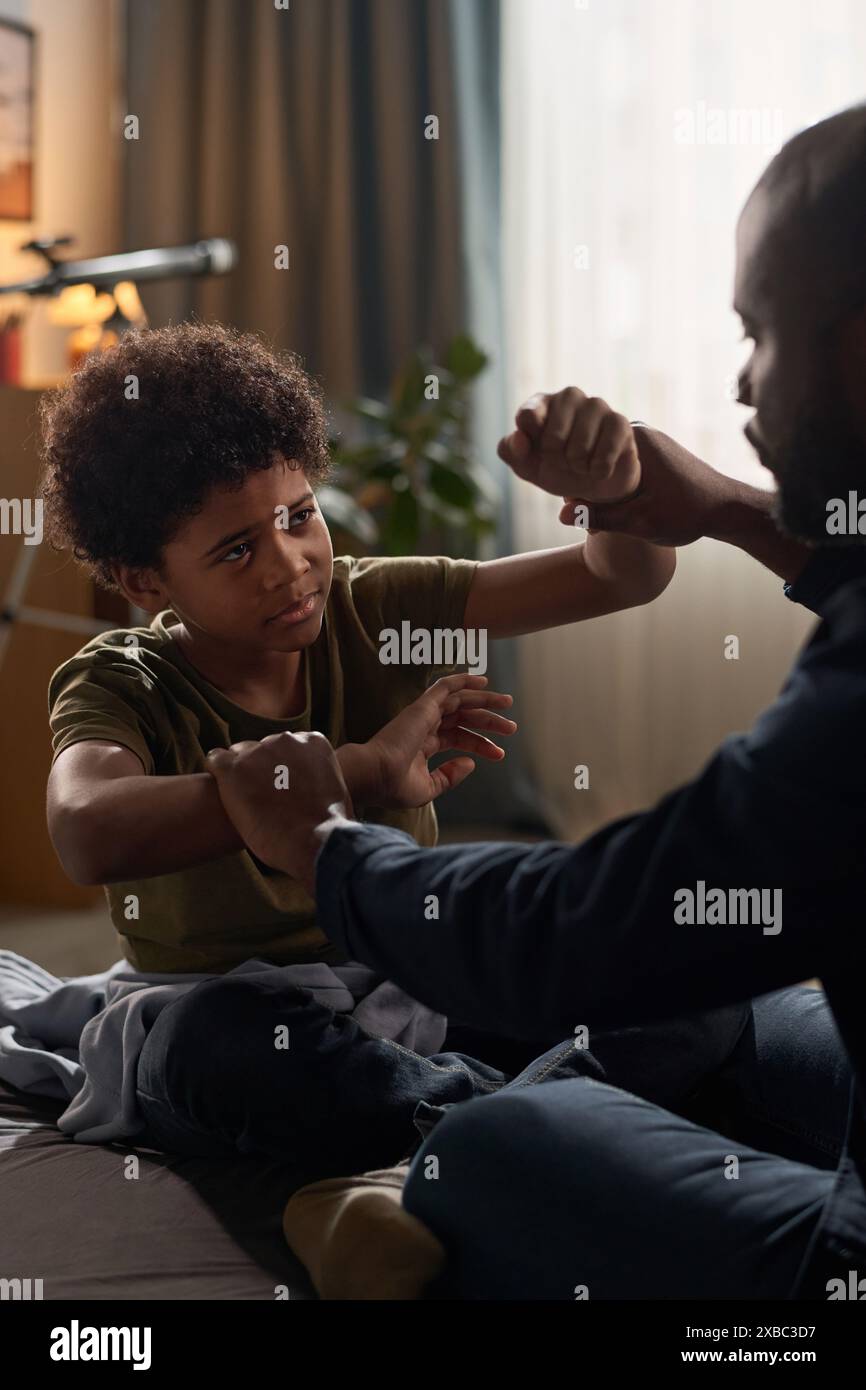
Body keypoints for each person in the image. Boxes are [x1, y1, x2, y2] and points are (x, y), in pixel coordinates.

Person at [203, 104, 866, 1298]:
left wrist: (325, 842)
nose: (739, 377)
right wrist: (726, 506)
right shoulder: (122, 676)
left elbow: (584, 932)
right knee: (747, 1002)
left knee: (490, 1145)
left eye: (757, 333)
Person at [39, 318, 690, 1172]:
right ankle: (527, 1123)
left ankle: (472, 1121)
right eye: (237, 550)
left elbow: (620, 577)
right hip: (219, 1011)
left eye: (299, 517)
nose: (290, 565)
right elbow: (86, 831)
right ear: (144, 580)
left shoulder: (377, 611)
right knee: (219, 1048)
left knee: (677, 994)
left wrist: (616, 492)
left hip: (404, 977)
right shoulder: (123, 680)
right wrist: (360, 771)